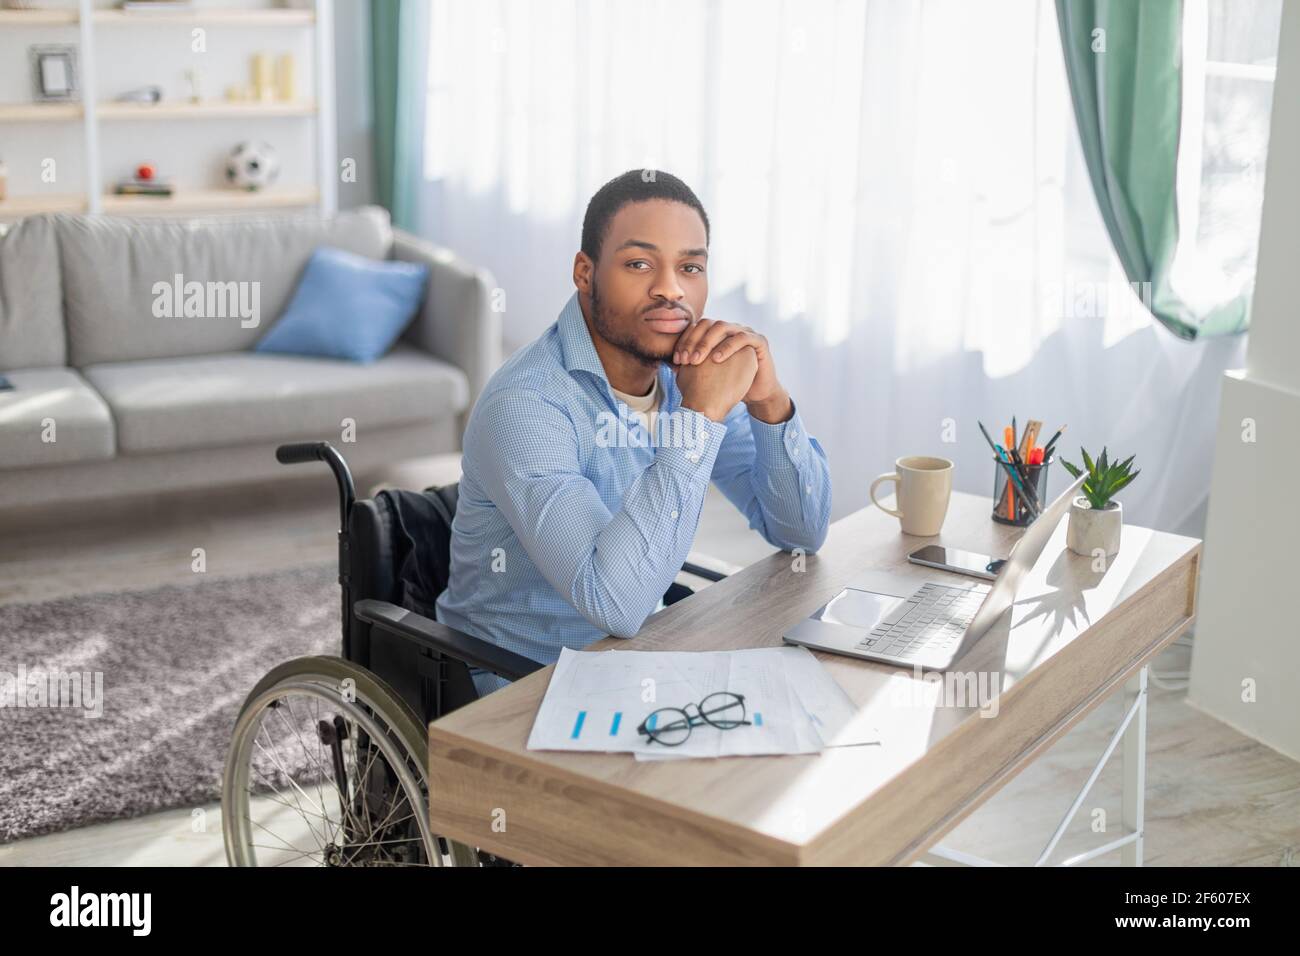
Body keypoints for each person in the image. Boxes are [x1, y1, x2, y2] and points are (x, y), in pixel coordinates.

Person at [436, 169, 832, 694]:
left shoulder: (684, 373)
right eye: (639, 264)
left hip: (637, 660)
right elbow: (614, 604)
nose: (670, 289)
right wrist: (701, 417)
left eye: (690, 266)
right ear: (584, 272)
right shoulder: (526, 405)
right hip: (520, 684)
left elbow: (800, 533)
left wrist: (769, 401)